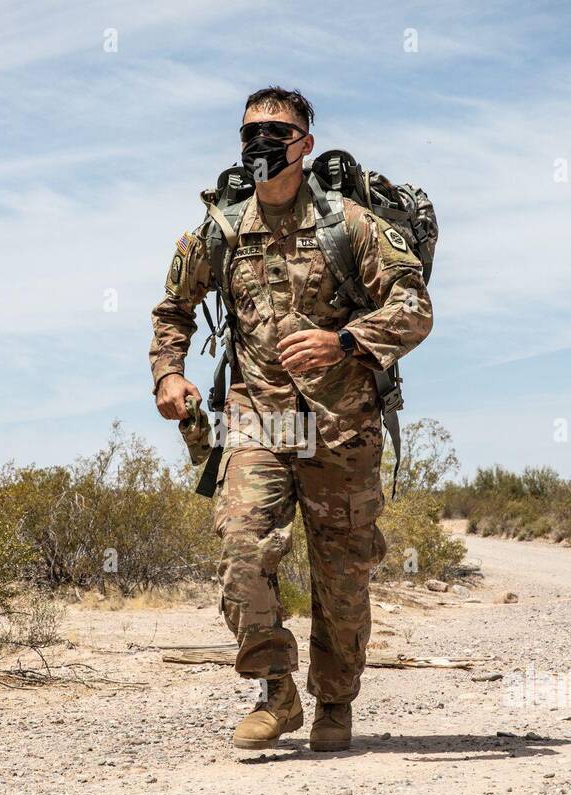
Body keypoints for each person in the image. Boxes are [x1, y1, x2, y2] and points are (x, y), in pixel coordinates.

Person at [150, 87, 432, 751]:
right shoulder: (220, 230)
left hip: (342, 425)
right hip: (260, 421)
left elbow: (414, 306)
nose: (262, 141)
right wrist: (168, 373)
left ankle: (335, 701)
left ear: (306, 143)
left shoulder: (351, 225)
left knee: (342, 575)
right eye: (251, 130)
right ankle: (276, 691)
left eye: (279, 129)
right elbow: (172, 310)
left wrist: (346, 341)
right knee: (242, 545)